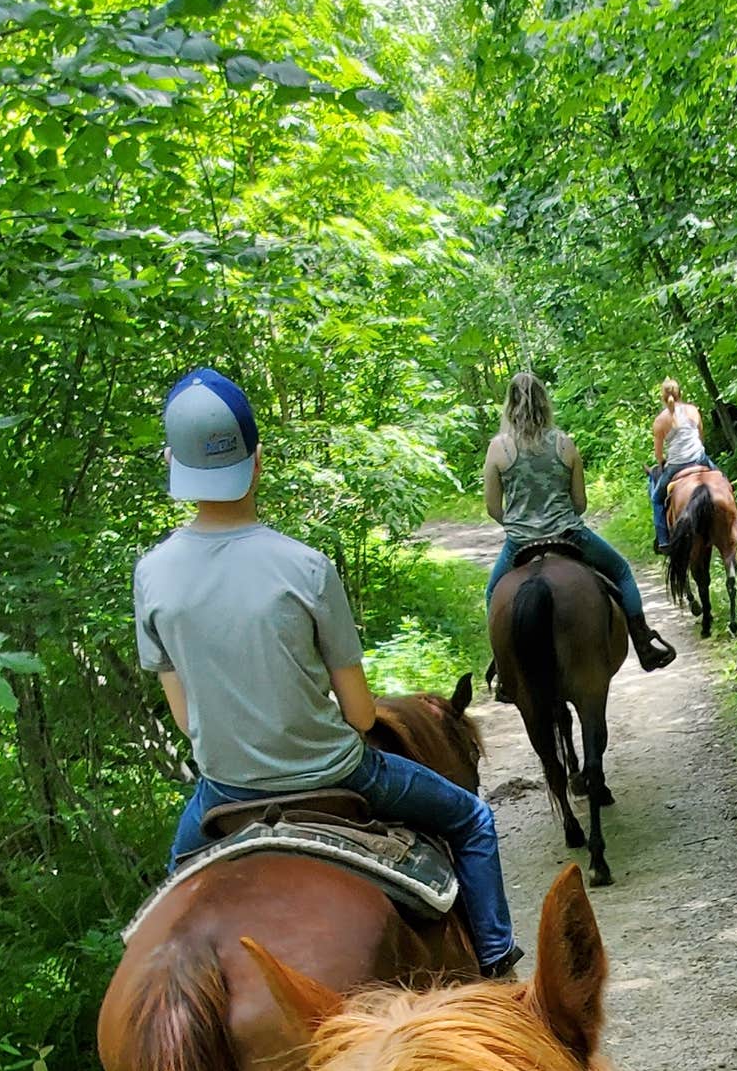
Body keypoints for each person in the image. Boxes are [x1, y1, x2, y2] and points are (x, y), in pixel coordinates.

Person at [134, 368, 523, 976]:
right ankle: (499, 963)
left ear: (174, 468)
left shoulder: (151, 575)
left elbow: (187, 721)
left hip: (225, 790)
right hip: (340, 774)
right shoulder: (306, 568)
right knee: (473, 820)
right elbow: (362, 715)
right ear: (256, 461)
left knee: (167, 912)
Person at [484, 371, 675, 671]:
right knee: (622, 571)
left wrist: (517, 524)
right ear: (544, 402)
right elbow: (580, 504)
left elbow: (493, 507)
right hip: (568, 535)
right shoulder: (564, 444)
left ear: (510, 404)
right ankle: (643, 643)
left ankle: (503, 666)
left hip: (520, 541)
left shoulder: (498, 448)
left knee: (492, 593)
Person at [649, 378, 709, 553]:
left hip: (676, 465)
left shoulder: (660, 421)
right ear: (680, 393)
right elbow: (701, 436)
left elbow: (659, 454)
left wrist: (662, 463)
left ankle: (663, 540)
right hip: (699, 458)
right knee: (723, 481)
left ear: (662, 397)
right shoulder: (693, 410)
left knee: (657, 499)